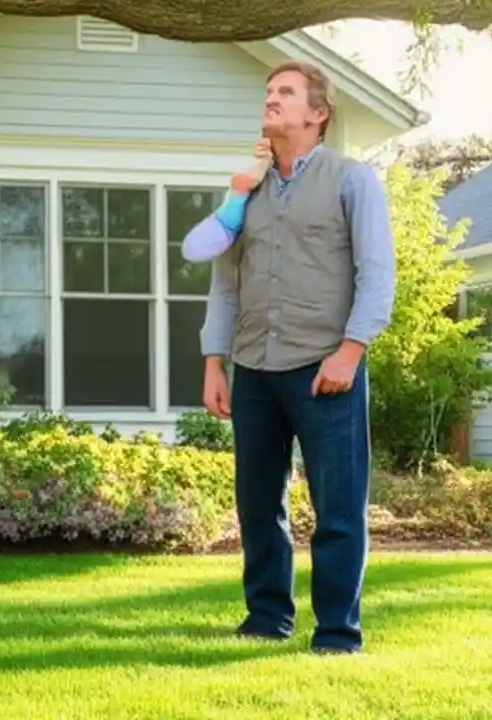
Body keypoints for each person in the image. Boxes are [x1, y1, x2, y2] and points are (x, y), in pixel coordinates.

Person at [181, 61, 396, 655]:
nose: (270, 99)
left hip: (326, 367)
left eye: (285, 93)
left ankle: (336, 632)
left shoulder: (352, 180)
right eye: (268, 91)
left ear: (317, 113)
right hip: (253, 369)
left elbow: (376, 274)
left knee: (338, 508)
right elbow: (225, 284)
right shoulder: (244, 193)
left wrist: (350, 353)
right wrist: (213, 362)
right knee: (257, 504)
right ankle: (267, 617)